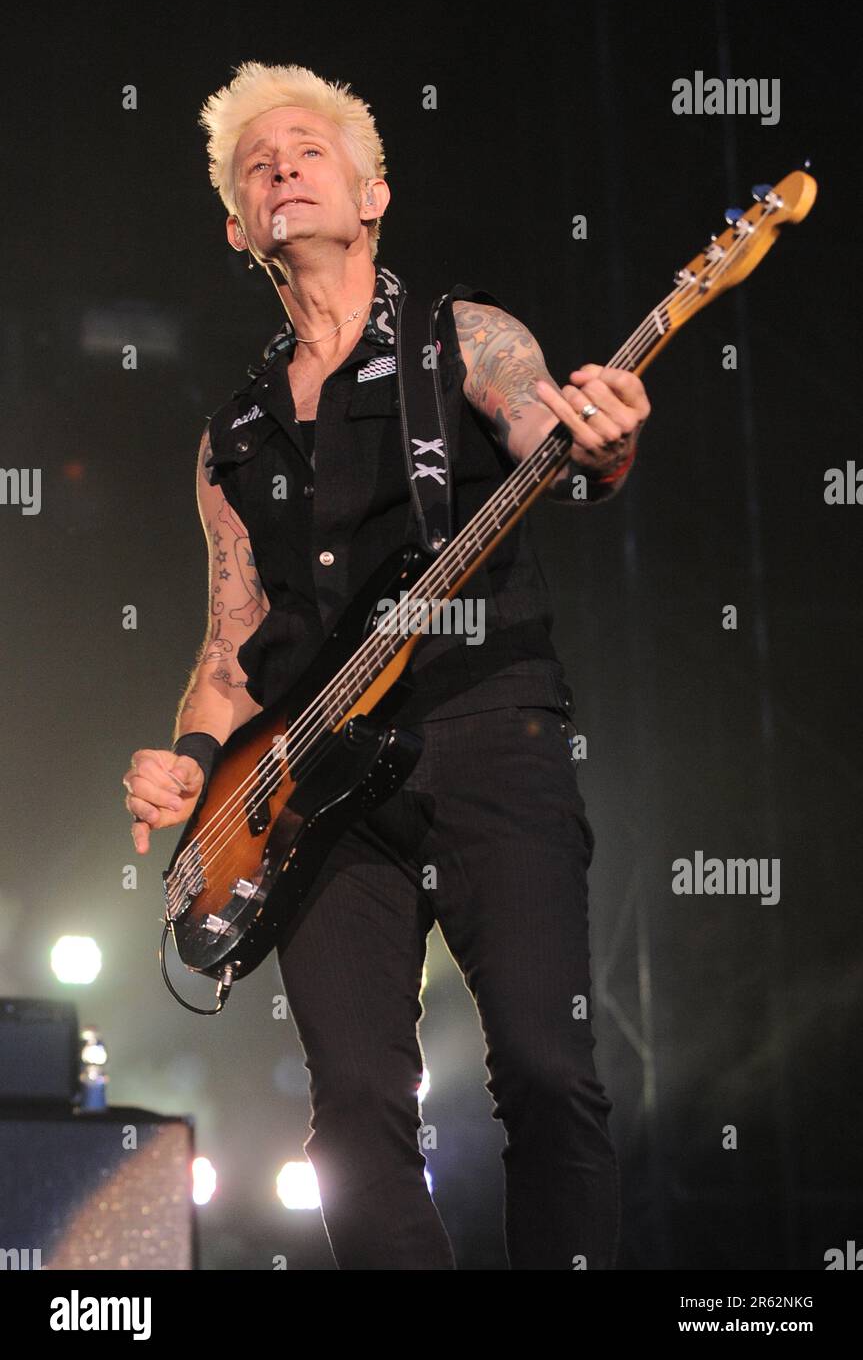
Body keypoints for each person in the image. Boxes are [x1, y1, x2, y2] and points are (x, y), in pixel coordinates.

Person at [122, 61, 650, 1269]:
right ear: (234, 226)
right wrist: (189, 764)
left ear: (372, 196)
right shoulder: (231, 436)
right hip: (316, 786)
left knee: (544, 1065)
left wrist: (606, 447)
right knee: (352, 1109)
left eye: (307, 150)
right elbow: (227, 651)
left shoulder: (461, 338)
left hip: (487, 731)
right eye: (255, 164)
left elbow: (555, 449)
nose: (280, 168)